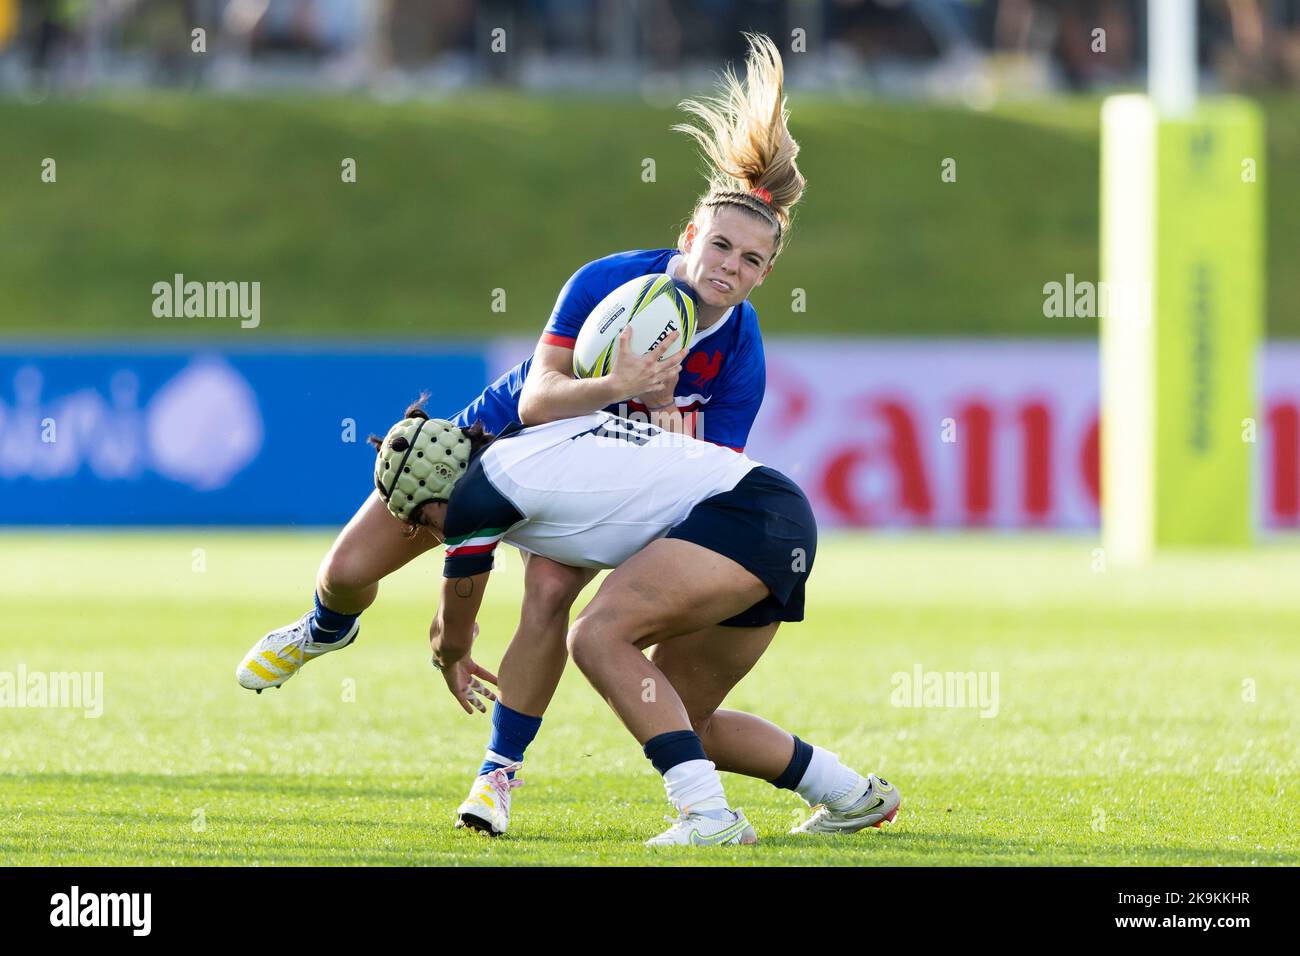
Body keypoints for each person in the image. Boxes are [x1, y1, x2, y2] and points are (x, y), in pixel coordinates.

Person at [235, 31, 807, 837]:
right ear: (689, 237)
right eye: (719, 245)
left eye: (750, 260)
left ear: (763, 275)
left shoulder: (739, 351)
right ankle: (325, 628)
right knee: (348, 568)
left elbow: (710, 469)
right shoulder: (611, 279)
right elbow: (539, 400)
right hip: (497, 441)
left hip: (593, 475)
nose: (728, 267)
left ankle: (496, 779)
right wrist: (624, 387)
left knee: (547, 595)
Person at [373, 399, 900, 846]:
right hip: (770, 516)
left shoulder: (474, 496)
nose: (433, 534)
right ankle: (851, 794)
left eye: (422, 519)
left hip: (742, 517)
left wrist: (450, 656)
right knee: (684, 723)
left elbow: (455, 624)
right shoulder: (530, 456)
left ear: (438, 487)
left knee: (597, 636)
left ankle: (708, 817)